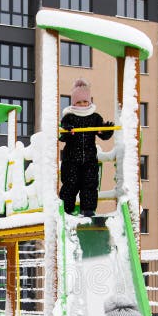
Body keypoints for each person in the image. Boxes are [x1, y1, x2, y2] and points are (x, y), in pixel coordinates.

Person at [59, 78, 114, 217]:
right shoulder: (69, 117)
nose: (82, 105)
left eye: (85, 101)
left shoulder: (94, 117)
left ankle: (88, 209)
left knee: (89, 184)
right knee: (70, 184)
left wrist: (106, 129)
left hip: (89, 159)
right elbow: (62, 136)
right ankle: (66, 209)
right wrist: (67, 131)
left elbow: (104, 135)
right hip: (71, 159)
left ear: (89, 102)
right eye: (79, 102)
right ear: (73, 103)